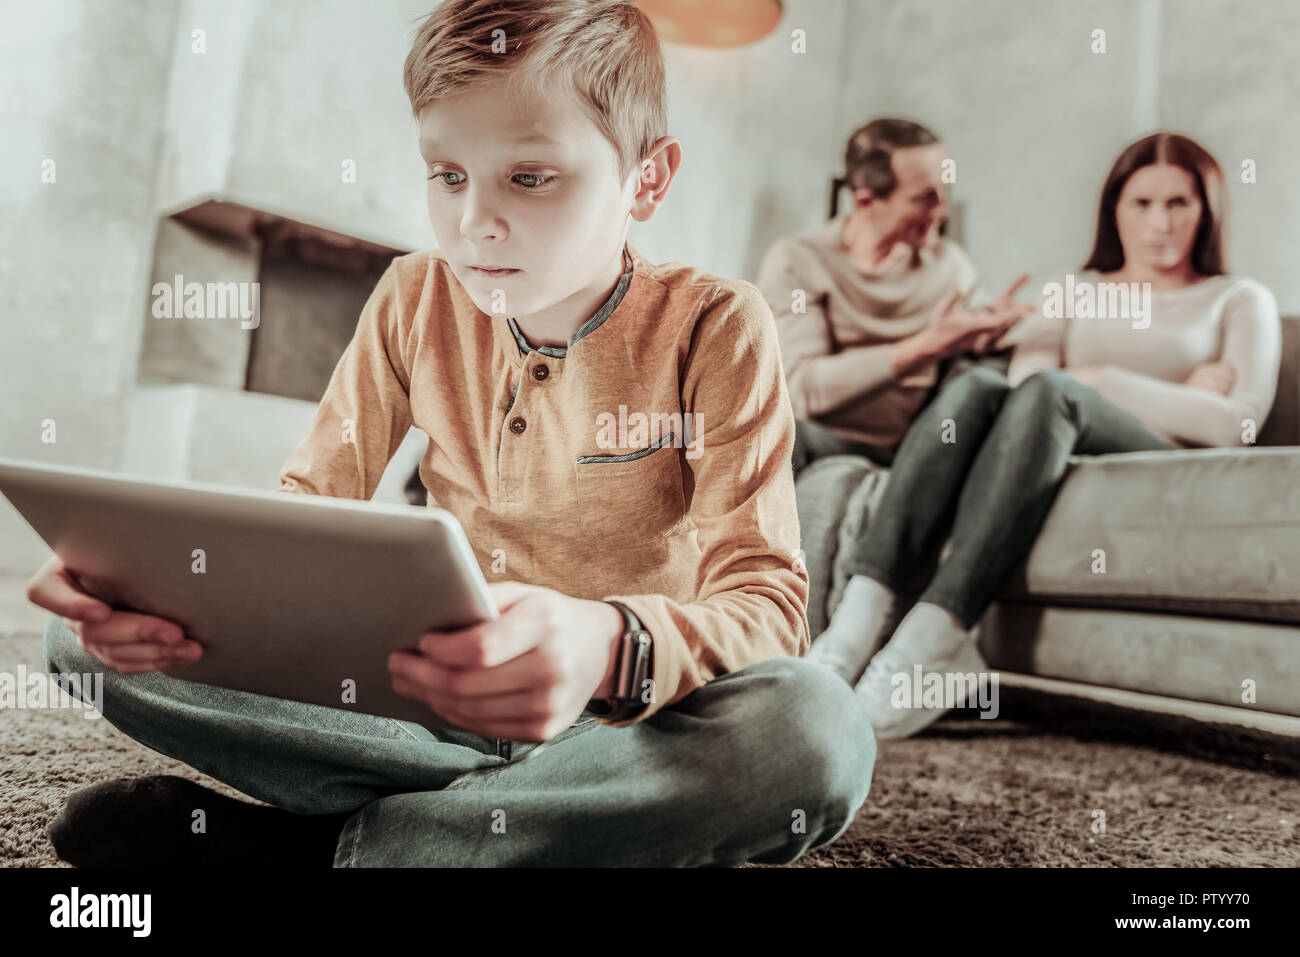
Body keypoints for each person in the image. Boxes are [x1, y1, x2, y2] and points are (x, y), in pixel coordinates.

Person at [26, 0, 876, 868]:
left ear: (646, 180)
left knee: (814, 732)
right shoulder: (410, 296)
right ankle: (490, 837)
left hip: (623, 726)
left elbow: (768, 609)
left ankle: (329, 851)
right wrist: (150, 581)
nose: (474, 223)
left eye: (531, 176)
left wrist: (605, 645)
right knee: (79, 641)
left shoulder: (717, 324)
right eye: (447, 174)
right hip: (423, 706)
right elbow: (309, 512)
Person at [807, 132, 1282, 740]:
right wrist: (1185, 392)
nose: (1159, 223)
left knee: (1055, 393)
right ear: (1115, 208)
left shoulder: (1238, 300)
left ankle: (929, 644)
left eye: (1178, 203)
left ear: (1208, 209)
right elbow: (1022, 395)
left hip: (1156, 461)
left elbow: (1235, 425)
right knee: (979, 387)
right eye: (1141, 204)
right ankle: (853, 626)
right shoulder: (1074, 291)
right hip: (1053, 452)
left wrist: (1098, 380)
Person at [755, 117, 1034, 472]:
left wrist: (989, 333)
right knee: (774, 438)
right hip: (820, 437)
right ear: (866, 201)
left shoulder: (948, 263)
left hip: (914, 449)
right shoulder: (800, 260)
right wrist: (928, 345)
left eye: (944, 194)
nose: (942, 212)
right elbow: (803, 390)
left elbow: (973, 328)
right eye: (925, 198)